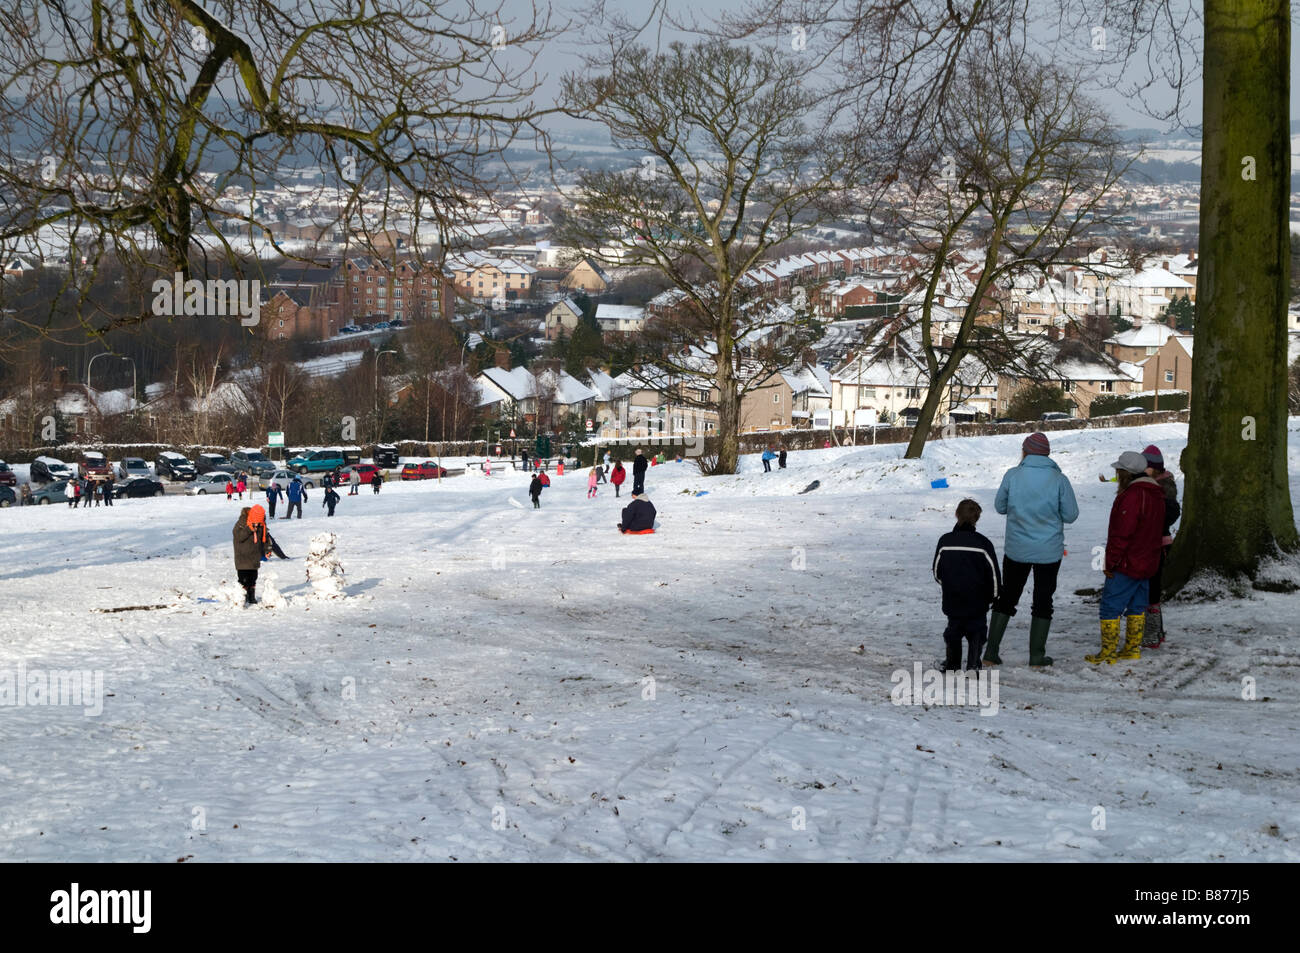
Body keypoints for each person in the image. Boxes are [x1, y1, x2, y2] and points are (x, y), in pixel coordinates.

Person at [984, 432, 1079, 667]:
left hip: (1017, 549)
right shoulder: (1059, 480)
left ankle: (991, 652)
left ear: (1025, 452)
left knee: (1007, 596)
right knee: (1043, 599)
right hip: (1049, 552)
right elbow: (1071, 515)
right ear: (1047, 454)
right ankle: (1036, 656)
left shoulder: (1012, 476)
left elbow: (999, 506)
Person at [1087, 451, 1166, 664]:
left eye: (1118, 471)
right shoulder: (1156, 493)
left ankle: (1108, 652)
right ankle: (1132, 648)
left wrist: (1110, 562)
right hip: (1148, 561)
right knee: (1137, 605)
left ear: (1125, 473)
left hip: (1127, 562)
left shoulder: (1132, 496)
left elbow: (1122, 534)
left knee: (1111, 606)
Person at [933, 499, 1002, 672]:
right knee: (977, 631)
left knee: (953, 631)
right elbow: (993, 574)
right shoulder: (983, 544)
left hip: (952, 597)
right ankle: (973, 665)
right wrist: (994, 595)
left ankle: (952, 664)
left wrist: (949, 584)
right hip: (978, 600)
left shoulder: (945, 541)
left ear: (957, 514)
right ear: (976, 518)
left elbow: (936, 571)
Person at [1140, 445, 1180, 648]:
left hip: (1159, 545)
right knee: (1148, 591)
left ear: (1154, 468)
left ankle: (1153, 634)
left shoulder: (1164, 485)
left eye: (1145, 466)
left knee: (1152, 592)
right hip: (1147, 545)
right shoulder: (1146, 482)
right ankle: (1154, 632)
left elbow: (1170, 512)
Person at [233, 505, 271, 605]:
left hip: (254, 556)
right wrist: (249, 529)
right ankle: (242, 596)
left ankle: (251, 596)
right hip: (242, 556)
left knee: (253, 578)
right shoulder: (241, 523)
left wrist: (268, 548)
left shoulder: (260, 523)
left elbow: (265, 537)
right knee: (243, 579)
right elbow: (239, 537)